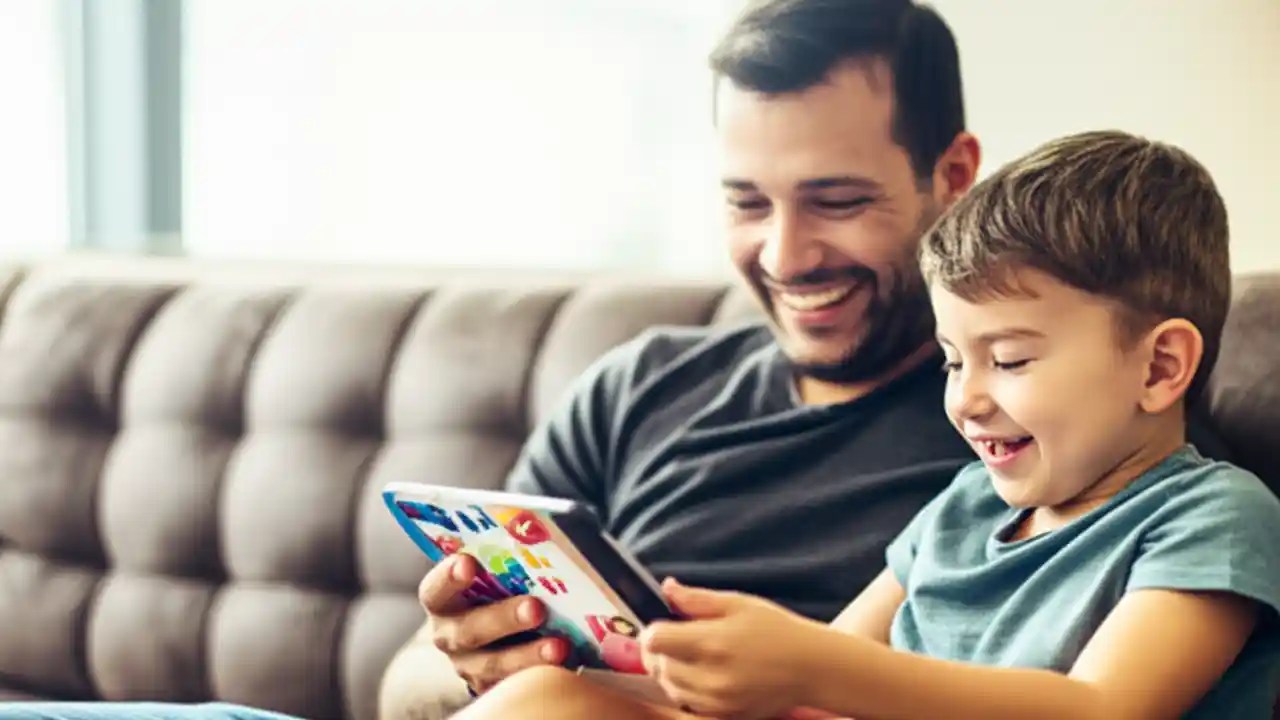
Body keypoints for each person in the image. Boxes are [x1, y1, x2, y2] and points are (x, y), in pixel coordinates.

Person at [454, 131, 1280, 720]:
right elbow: (821, 676)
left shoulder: (1211, 518)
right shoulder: (964, 507)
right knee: (548, 699)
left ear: (1161, 367)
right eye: (955, 360)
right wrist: (691, 662)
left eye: (1012, 360)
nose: (967, 399)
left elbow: (1097, 709)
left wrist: (814, 664)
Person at [380, 0, 985, 713]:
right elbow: (406, 683)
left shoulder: (1017, 433)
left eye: (840, 201)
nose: (786, 257)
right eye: (748, 204)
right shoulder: (637, 388)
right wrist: (471, 667)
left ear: (951, 176)